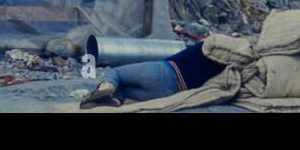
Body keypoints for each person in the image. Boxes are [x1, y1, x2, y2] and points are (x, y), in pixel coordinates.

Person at [81, 40, 223, 108]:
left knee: (115, 72)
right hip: (172, 92)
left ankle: (107, 87)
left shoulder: (205, 46)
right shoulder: (224, 67)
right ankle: (116, 101)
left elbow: (177, 57)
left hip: (164, 71)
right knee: (125, 90)